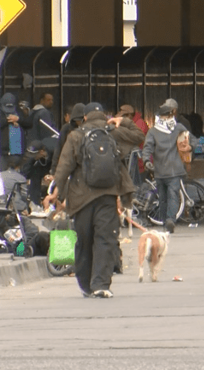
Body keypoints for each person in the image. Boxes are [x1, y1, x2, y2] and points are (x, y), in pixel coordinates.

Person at [44, 102, 143, 299]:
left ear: (85, 118)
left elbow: (63, 168)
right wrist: (123, 121)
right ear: (105, 116)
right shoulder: (113, 133)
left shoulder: (76, 136)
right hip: (108, 195)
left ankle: (86, 285)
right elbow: (139, 136)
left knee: (84, 241)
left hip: (81, 199)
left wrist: (57, 195)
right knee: (105, 240)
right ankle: (101, 284)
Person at [142, 104, 193, 233]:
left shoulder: (153, 131)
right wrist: (189, 148)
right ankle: (170, 220)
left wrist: (146, 160)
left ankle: (166, 222)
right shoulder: (179, 128)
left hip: (159, 170)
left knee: (163, 198)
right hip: (175, 170)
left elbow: (147, 147)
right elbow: (192, 141)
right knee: (173, 195)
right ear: (172, 115)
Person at [49, 103, 85, 181]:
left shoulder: (88, 129)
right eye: (77, 120)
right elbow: (58, 149)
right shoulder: (66, 128)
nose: (79, 122)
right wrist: (54, 171)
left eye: (81, 120)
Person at [0, 93, 32, 171]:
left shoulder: (19, 112)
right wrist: (8, 120)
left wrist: (18, 119)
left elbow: (29, 123)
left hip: (18, 152)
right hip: (3, 154)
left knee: (17, 176)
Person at [22, 139, 54, 216]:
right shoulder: (33, 157)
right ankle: (35, 203)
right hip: (42, 165)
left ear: (42, 152)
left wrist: (54, 175)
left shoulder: (54, 150)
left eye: (34, 155)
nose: (33, 157)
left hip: (55, 163)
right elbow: (26, 172)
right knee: (34, 175)